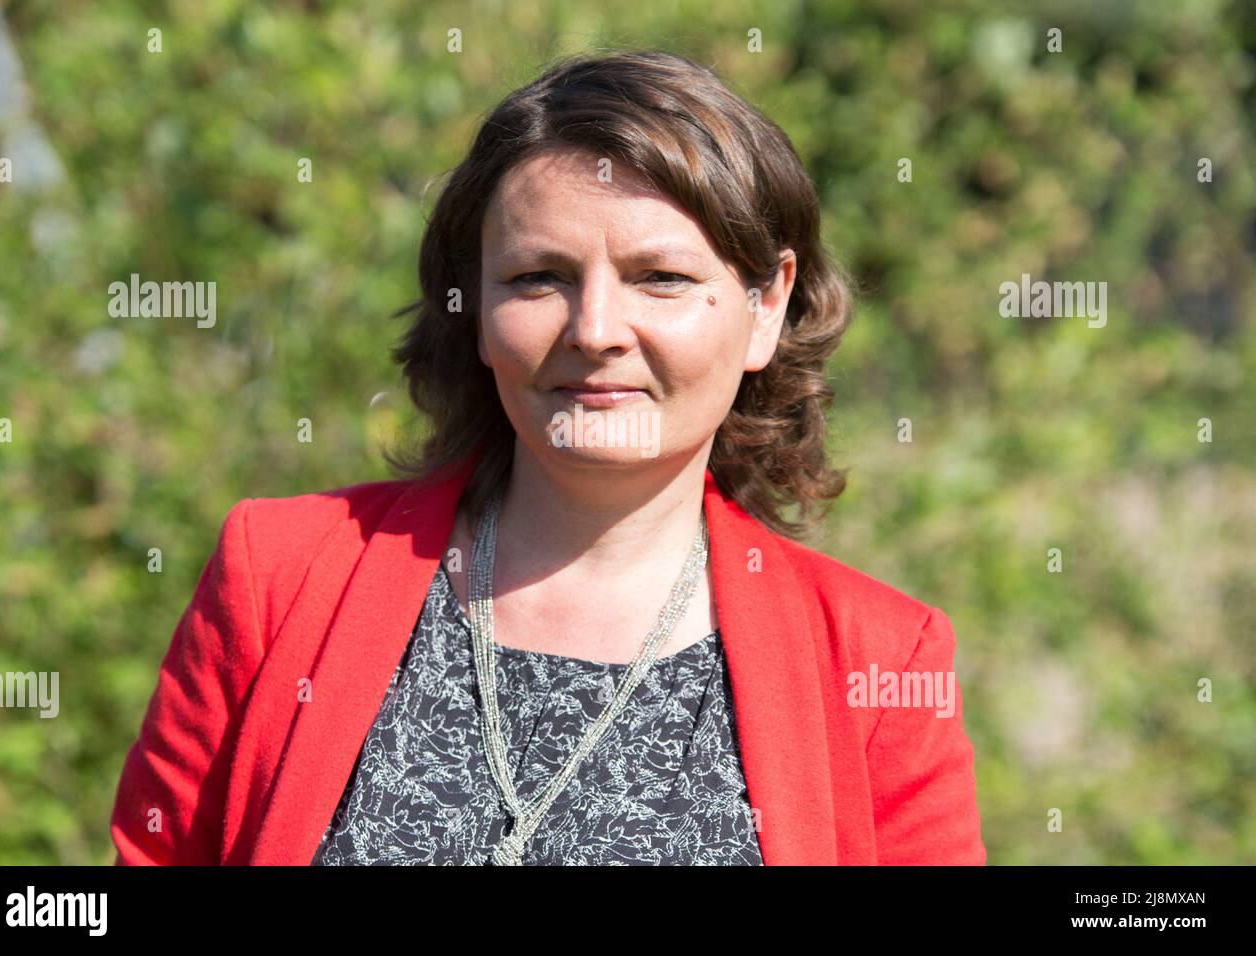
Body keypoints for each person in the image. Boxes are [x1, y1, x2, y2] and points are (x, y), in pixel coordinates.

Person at [110, 49, 986, 865]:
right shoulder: (279, 578)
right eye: (538, 278)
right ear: (474, 309)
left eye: (661, 278)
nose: (595, 331)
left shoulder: (880, 666)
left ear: (766, 308)